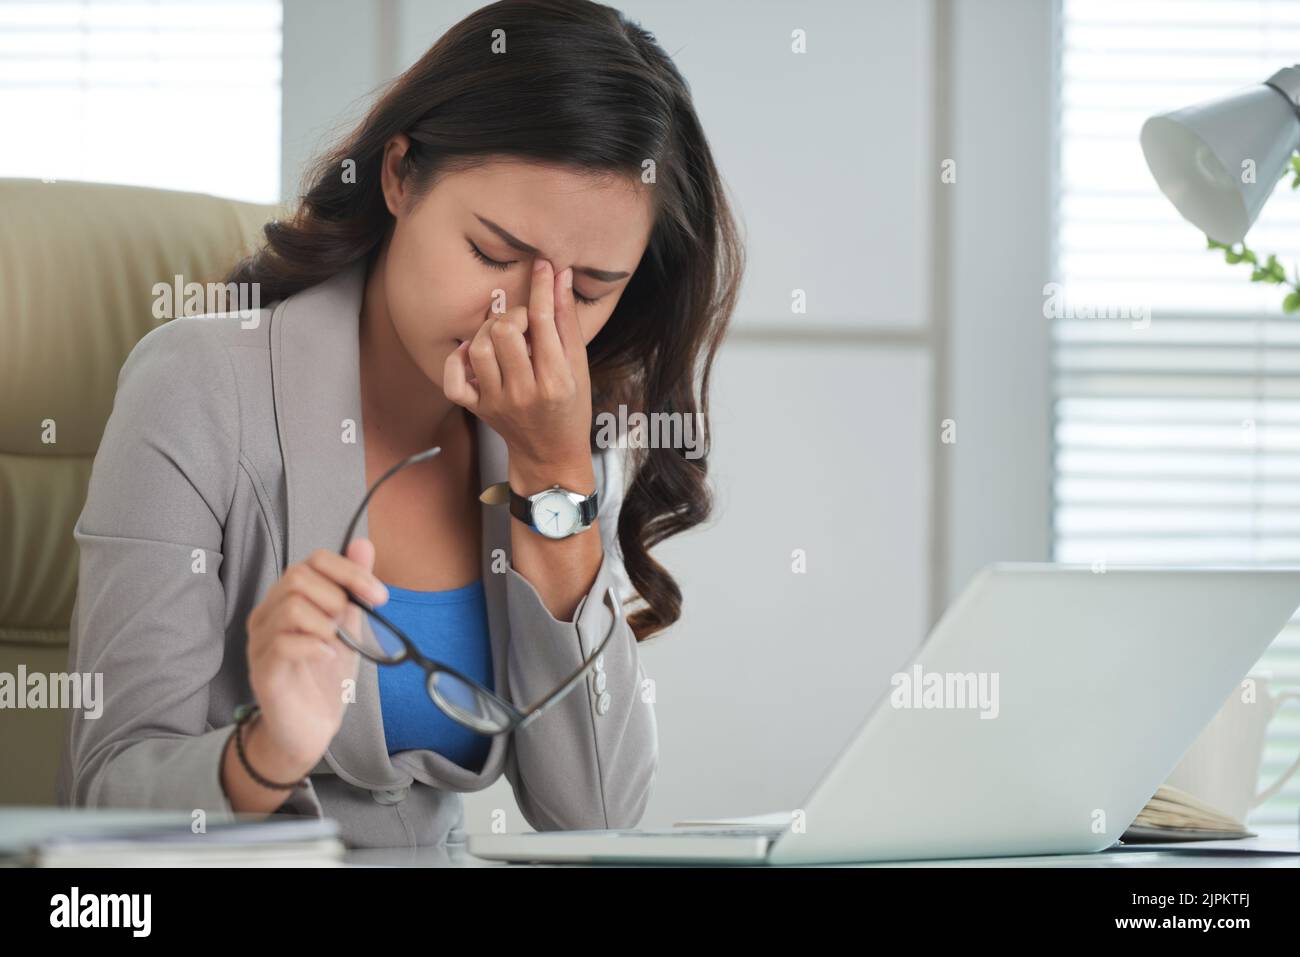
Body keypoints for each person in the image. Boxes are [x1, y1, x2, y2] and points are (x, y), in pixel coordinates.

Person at [57, 0, 744, 849]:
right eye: (493, 253)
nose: (524, 319)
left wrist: (554, 479)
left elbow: (596, 817)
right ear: (399, 178)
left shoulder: (563, 434)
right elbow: (103, 790)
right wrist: (264, 752)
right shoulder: (198, 386)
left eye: (590, 290)